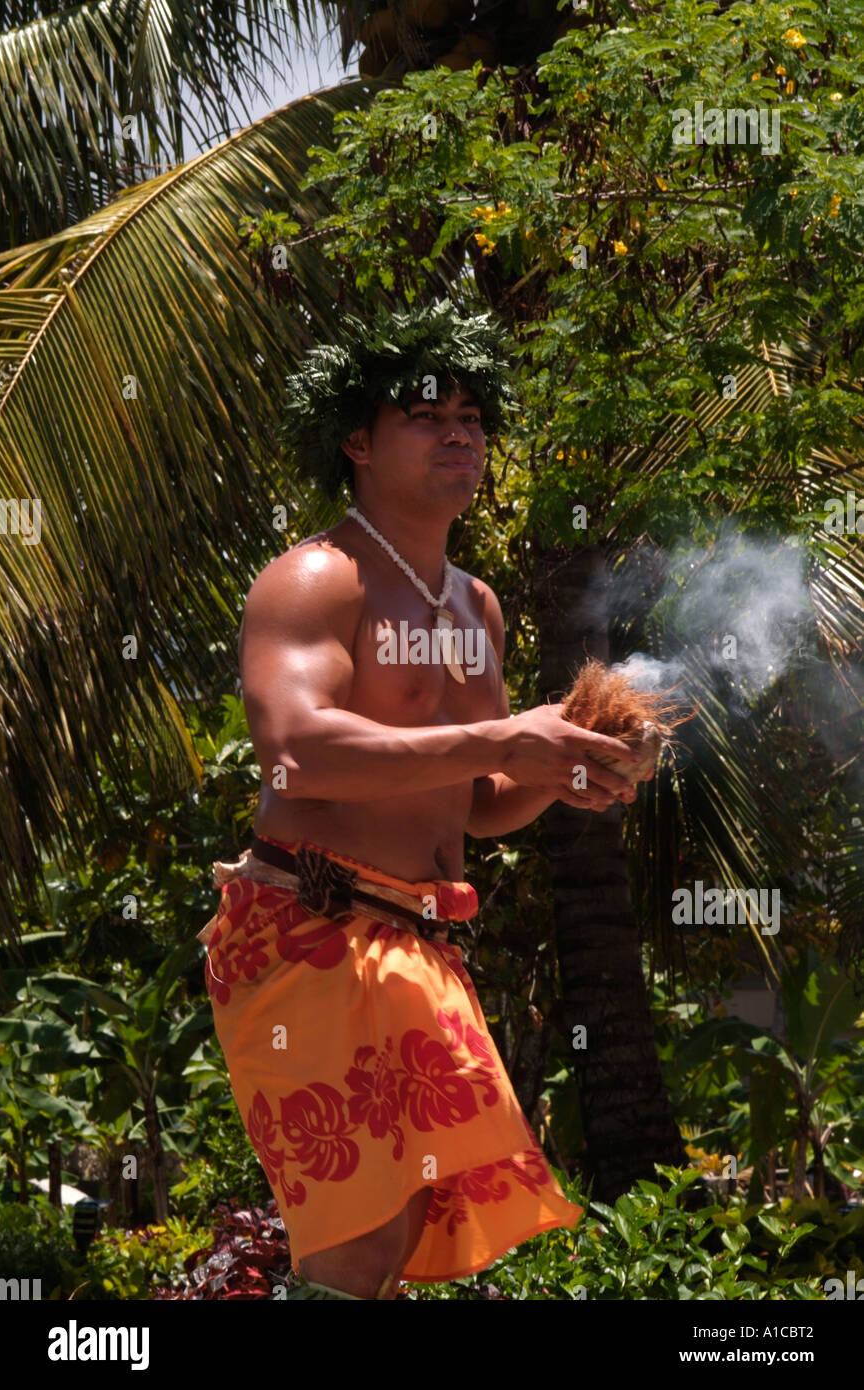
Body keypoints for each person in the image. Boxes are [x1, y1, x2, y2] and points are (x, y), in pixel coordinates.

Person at [199, 301, 641, 1300]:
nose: (458, 433)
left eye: (473, 417)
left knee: (391, 1248)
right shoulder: (315, 579)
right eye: (426, 414)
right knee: (358, 1248)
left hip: (419, 939)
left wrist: (564, 768)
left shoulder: (472, 604)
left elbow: (477, 802)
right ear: (356, 441)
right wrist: (503, 736)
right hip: (306, 927)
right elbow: (295, 752)